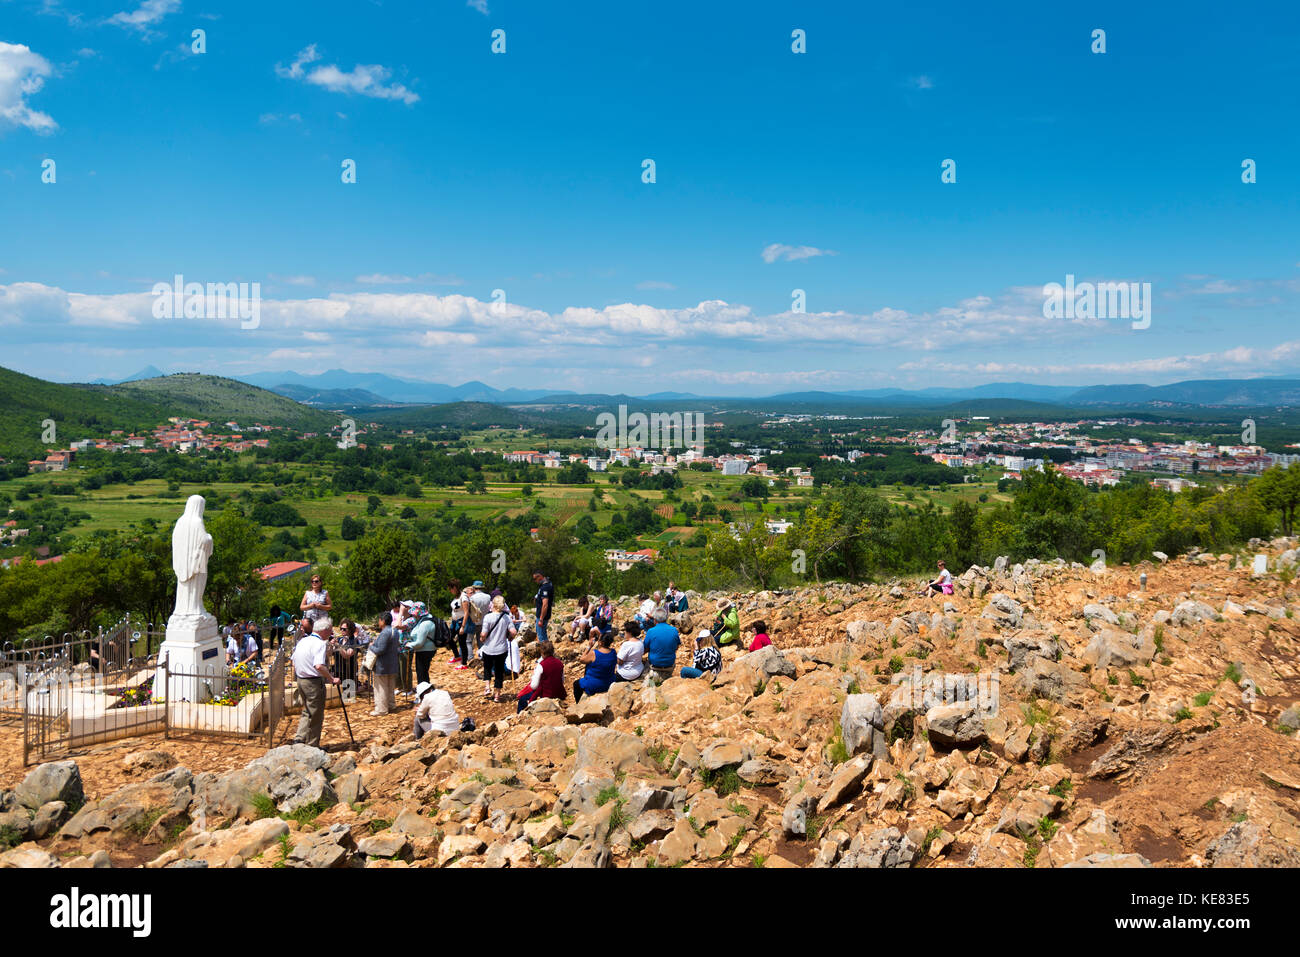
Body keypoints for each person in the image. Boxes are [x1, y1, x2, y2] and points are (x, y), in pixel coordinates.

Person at [292, 616, 340, 748]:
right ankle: (312, 745)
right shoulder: (319, 644)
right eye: (330, 630)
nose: (331, 633)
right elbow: (318, 665)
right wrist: (331, 678)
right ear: (324, 630)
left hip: (301, 680)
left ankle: (299, 738)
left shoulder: (303, 641)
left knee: (307, 710)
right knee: (316, 714)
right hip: (313, 682)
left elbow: (293, 660)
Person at [479, 595, 516, 703]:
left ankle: (487, 687)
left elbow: (484, 633)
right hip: (501, 649)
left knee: (487, 668)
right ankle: (497, 695)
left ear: (493, 605)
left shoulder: (488, 617)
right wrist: (510, 637)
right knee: (499, 671)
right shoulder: (506, 617)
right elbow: (513, 631)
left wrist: (482, 638)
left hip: (489, 648)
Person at [516, 640, 566, 713]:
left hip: (546, 694)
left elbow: (534, 686)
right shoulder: (559, 663)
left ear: (542, 652)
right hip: (559, 693)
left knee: (522, 699)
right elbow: (562, 680)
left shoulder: (541, 665)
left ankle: (520, 716)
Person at [368, 612, 400, 716]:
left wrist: (371, 646)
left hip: (382, 665)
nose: (378, 622)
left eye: (379, 620)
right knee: (390, 686)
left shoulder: (384, 633)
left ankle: (381, 709)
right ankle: (391, 705)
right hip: (393, 663)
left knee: (380, 688)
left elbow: (380, 650)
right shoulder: (395, 631)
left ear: (383, 621)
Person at [573, 628, 617, 702]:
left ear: (601, 643)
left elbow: (582, 659)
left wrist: (589, 647)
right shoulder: (613, 652)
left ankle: (578, 703)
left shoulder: (594, 653)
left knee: (576, 684)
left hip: (594, 685)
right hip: (609, 682)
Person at [643, 607, 681, 683]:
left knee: (643, 665)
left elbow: (645, 649)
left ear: (655, 620)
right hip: (670, 665)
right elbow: (676, 647)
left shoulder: (651, 631)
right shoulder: (674, 630)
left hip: (655, 666)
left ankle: (651, 681)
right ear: (666, 618)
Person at [405, 603, 437, 687]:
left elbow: (419, 643)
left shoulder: (425, 623)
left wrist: (409, 645)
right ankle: (427, 692)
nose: (413, 615)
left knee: (421, 674)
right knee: (423, 673)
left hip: (424, 651)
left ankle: (423, 694)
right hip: (426, 649)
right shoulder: (425, 619)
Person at [447, 581, 470, 668]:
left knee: (462, 642)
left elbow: (466, 612)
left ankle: (464, 663)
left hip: (461, 621)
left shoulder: (463, 597)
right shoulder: (456, 597)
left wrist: (463, 626)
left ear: (455, 588)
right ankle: (457, 656)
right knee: (449, 637)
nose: (450, 591)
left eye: (451, 588)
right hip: (454, 622)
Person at [532, 571, 554, 643]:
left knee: (541, 637)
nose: (535, 581)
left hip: (542, 616)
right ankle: (549, 652)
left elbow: (545, 604)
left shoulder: (545, 587)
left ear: (540, 576)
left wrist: (541, 619)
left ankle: (545, 653)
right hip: (545, 614)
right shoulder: (548, 584)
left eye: (535, 579)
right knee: (544, 635)